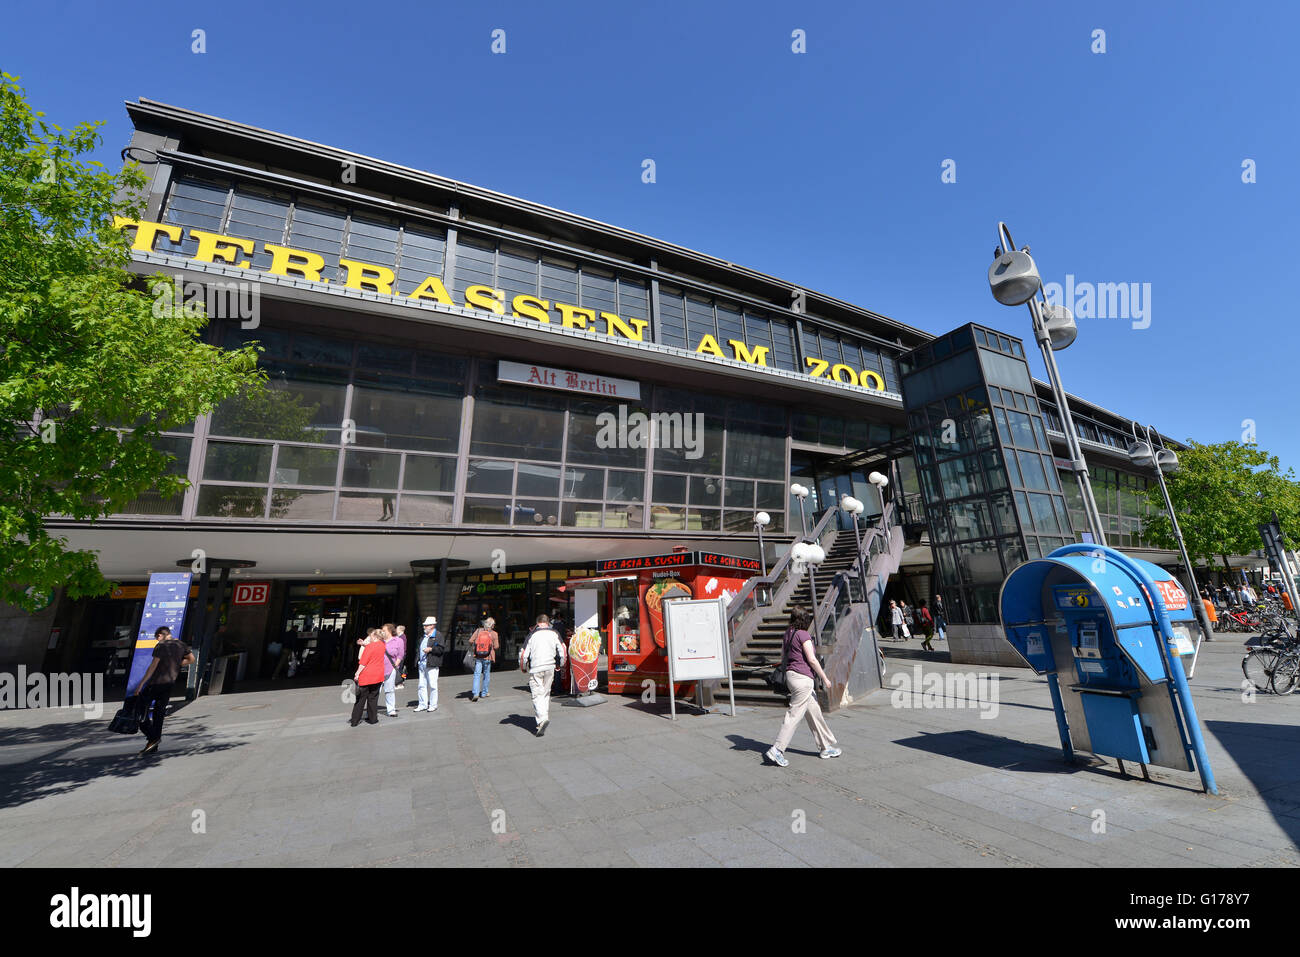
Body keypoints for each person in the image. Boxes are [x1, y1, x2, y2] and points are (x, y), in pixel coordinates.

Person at [765, 607, 839, 767]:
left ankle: (825, 747)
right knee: (794, 715)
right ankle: (777, 749)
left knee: (814, 712)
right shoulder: (803, 634)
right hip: (803, 679)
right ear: (805, 620)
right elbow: (812, 660)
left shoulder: (787, 634)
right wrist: (824, 677)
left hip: (791, 677)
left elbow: (783, 656)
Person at [127, 626, 195, 756]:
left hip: (155, 683)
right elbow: (191, 659)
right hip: (169, 683)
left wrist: (141, 684)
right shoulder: (181, 644)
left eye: (156, 638)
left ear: (160, 636)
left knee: (140, 711)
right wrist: (177, 663)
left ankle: (152, 737)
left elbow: (153, 666)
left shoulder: (161, 645)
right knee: (159, 714)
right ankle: (153, 745)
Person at [519, 614, 567, 736]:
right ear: (547, 622)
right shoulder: (554, 633)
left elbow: (524, 653)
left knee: (536, 694)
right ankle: (544, 717)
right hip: (550, 667)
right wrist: (561, 663)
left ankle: (542, 719)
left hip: (536, 668)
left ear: (537, 623)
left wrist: (523, 667)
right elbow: (563, 649)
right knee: (545, 693)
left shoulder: (532, 635)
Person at [350, 629, 386, 727]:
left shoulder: (370, 647)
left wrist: (357, 674)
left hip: (367, 676)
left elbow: (363, 663)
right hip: (378, 675)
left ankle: (355, 721)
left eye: (371, 636)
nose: (370, 637)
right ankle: (373, 718)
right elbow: (375, 649)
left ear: (375, 636)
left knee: (360, 700)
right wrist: (364, 644)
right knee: (373, 698)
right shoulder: (383, 645)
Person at [414, 616, 443, 712]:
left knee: (433, 685)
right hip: (422, 664)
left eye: (426, 625)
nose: (424, 627)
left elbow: (441, 650)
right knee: (421, 685)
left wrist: (431, 649)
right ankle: (422, 704)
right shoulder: (423, 636)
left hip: (432, 664)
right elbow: (419, 649)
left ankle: (433, 704)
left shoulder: (438, 635)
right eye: (424, 625)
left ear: (432, 626)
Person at [469, 617, 499, 702]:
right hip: (488, 657)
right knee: (486, 675)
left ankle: (475, 693)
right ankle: (484, 693)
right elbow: (496, 647)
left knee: (477, 675)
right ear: (492, 625)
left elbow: (470, 641)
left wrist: (478, 644)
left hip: (478, 656)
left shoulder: (478, 631)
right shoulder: (494, 634)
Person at [381, 623, 405, 717]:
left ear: (390, 631)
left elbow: (400, 655)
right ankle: (372, 710)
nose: (382, 632)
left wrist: (396, 665)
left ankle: (391, 710)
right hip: (378, 669)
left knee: (389, 690)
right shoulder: (380, 641)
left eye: (384, 631)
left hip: (390, 668)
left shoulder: (398, 641)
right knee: (375, 691)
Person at [394, 624, 408, 690]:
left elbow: (401, 648)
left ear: (400, 630)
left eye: (397, 629)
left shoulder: (402, 637)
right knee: (400, 669)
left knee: (399, 669)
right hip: (401, 655)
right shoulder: (401, 636)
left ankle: (400, 683)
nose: (396, 630)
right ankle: (400, 682)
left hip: (401, 655)